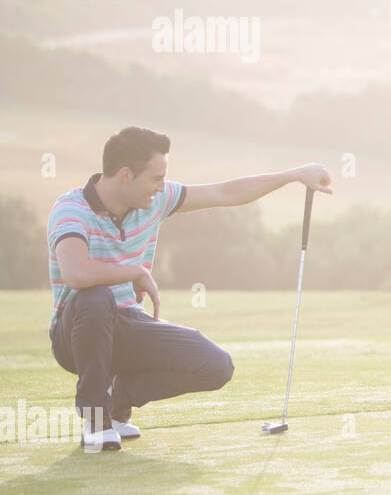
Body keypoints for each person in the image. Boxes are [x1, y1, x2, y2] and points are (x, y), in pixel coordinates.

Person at [47, 125, 332, 452]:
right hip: (76, 334)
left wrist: (295, 175)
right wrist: (134, 272)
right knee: (96, 297)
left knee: (215, 366)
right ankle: (95, 420)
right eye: (155, 178)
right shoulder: (72, 209)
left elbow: (225, 193)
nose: (160, 187)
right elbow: (76, 273)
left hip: (129, 326)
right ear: (126, 174)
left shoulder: (156, 199)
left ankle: (117, 400)